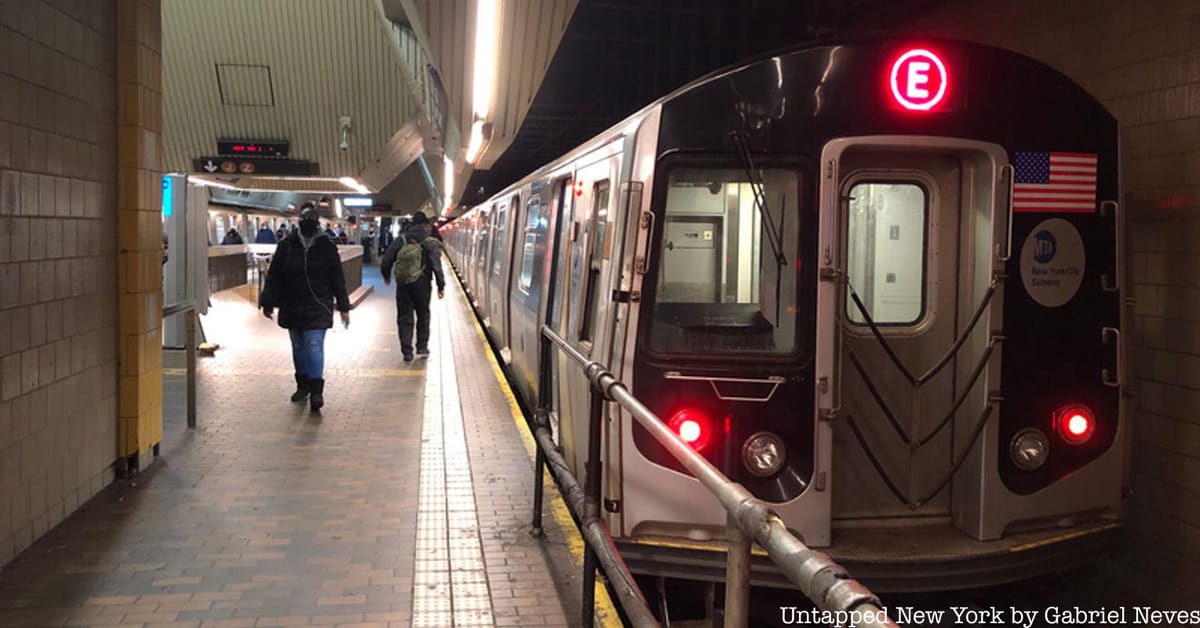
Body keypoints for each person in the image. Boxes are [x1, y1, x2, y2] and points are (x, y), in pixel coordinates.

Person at [259, 203, 352, 411]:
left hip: (319, 305)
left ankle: (316, 391)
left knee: (313, 344)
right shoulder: (287, 245)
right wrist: (268, 302)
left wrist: (344, 306)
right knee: (299, 346)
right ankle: (302, 386)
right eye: (304, 219)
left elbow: (338, 278)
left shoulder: (327, 246)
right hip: (292, 304)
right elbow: (274, 276)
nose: (307, 222)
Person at [381, 222, 446, 362]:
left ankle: (407, 351)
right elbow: (437, 266)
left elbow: (386, 259)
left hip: (403, 284)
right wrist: (441, 286)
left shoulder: (402, 240)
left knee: (404, 317)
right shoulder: (428, 242)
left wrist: (386, 276)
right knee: (423, 314)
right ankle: (422, 347)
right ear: (425, 228)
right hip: (423, 284)